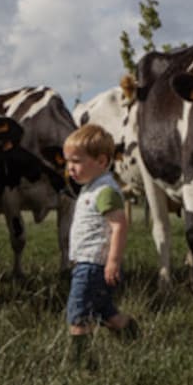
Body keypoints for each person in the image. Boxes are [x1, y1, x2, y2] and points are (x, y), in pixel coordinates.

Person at [63, 123, 138, 367]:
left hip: (93, 265)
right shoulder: (91, 187)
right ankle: (132, 335)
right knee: (106, 313)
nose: (69, 168)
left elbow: (119, 225)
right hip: (89, 263)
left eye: (76, 161)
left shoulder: (105, 190)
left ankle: (81, 363)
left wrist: (113, 261)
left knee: (77, 315)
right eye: (67, 162)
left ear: (102, 161)